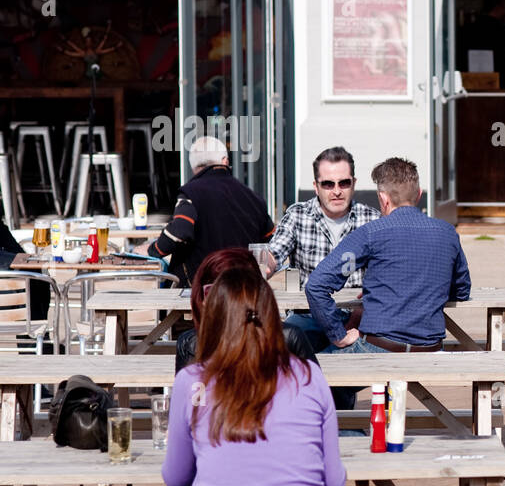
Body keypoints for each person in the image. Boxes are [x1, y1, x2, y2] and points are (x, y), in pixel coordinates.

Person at [162, 264, 346, 486]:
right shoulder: (308, 376)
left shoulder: (192, 382)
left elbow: (176, 479)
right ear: (273, 316)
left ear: (214, 321)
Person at [307, 157, 471, 353]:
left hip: (379, 347)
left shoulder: (370, 233)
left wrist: (339, 336)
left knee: (306, 378)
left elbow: (316, 285)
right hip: (431, 350)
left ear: (383, 199)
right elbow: (461, 290)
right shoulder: (447, 233)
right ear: (418, 194)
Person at [263, 147, 380, 352]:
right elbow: (275, 253)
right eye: (328, 184)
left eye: (344, 183)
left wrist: (360, 314)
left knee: (391, 345)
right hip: (309, 316)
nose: (336, 191)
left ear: (354, 184)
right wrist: (263, 265)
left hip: (359, 317)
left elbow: (384, 274)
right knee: (276, 343)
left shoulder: (371, 218)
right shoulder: (298, 215)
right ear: (316, 187)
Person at [147, 136, 274, 288]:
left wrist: (152, 249)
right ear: (225, 161)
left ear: (193, 167)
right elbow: (270, 242)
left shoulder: (190, 192)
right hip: (242, 289)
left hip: (200, 289)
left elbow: (180, 231)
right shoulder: (254, 198)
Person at [175, 248, 319, 373]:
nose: (229, 302)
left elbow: (313, 393)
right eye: (212, 292)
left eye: (238, 292)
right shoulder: (190, 343)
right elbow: (190, 401)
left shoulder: (289, 338)